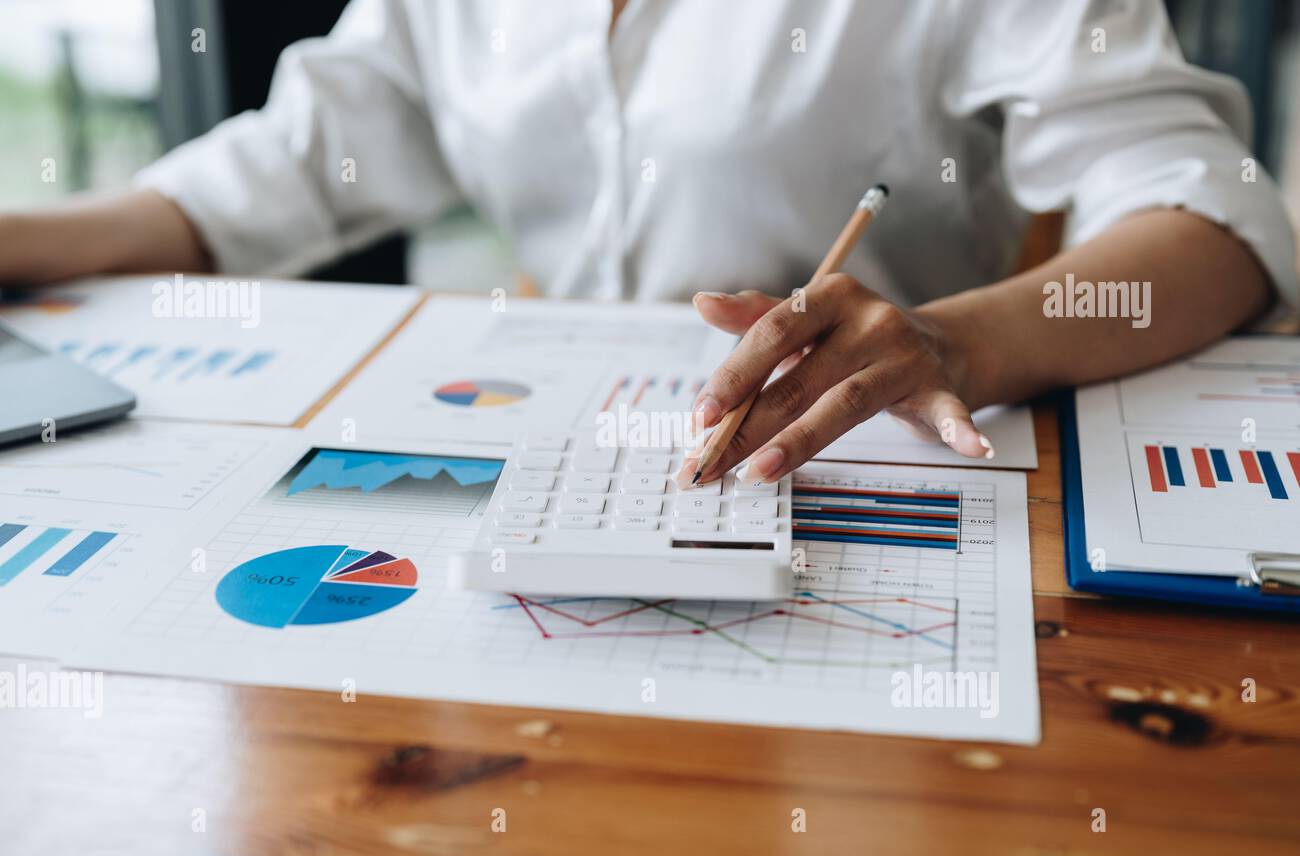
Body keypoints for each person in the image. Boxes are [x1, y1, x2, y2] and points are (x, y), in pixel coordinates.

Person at [1, 0, 1295, 484]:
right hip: (565, 460)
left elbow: (1218, 225)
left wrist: (954, 336)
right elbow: (271, 174)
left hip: (868, 474)